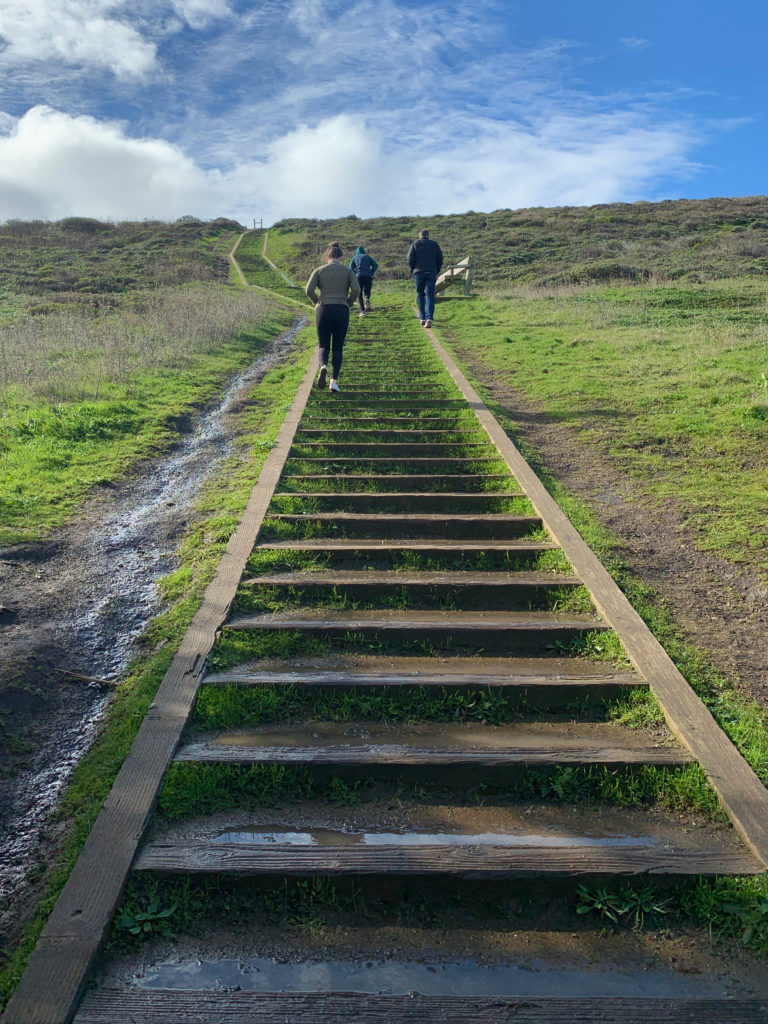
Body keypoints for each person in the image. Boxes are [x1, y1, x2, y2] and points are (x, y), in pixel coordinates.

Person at [305, 242, 359, 393]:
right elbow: (357, 289)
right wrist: (348, 302)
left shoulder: (319, 270)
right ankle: (333, 382)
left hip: (323, 309)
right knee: (337, 347)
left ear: (327, 257)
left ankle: (323, 367)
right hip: (341, 309)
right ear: (341, 257)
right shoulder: (347, 271)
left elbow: (308, 290)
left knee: (323, 345)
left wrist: (317, 302)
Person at [407, 228, 443, 328]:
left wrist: (413, 269)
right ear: (428, 236)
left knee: (420, 294)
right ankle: (429, 318)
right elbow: (440, 259)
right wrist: (436, 270)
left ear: (420, 236)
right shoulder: (434, 244)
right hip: (431, 272)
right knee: (430, 295)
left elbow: (410, 259)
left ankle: (422, 317)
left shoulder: (415, 244)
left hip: (419, 273)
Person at [348, 245, 379, 316]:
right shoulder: (367, 257)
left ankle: (362, 311)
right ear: (364, 252)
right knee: (367, 290)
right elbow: (375, 265)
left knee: (359, 293)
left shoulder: (354, 258)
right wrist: (371, 272)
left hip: (358, 276)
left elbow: (350, 268)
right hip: (368, 276)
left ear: (357, 253)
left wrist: (355, 273)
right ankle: (367, 298)